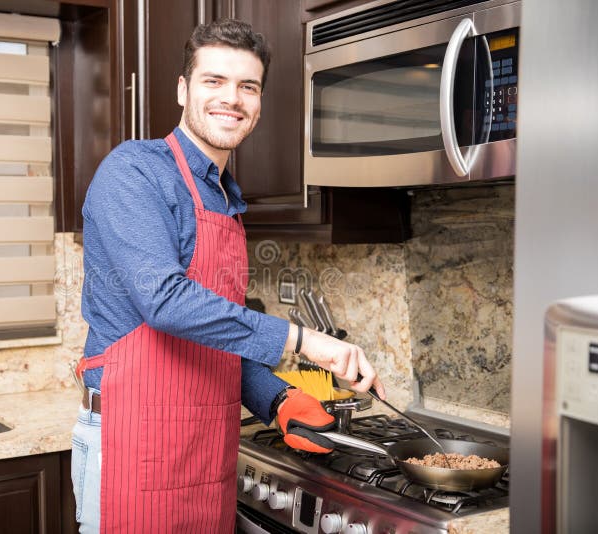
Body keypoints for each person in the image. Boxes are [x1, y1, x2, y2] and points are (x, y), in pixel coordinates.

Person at [72, 18, 386, 533]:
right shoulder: (133, 172)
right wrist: (306, 343)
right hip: (131, 439)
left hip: (205, 446)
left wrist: (277, 398)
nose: (232, 99)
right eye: (213, 81)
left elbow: (210, 332)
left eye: (248, 86)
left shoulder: (225, 198)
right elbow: (166, 302)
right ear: (182, 90)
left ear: (259, 103)